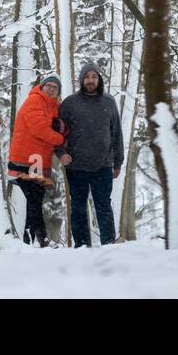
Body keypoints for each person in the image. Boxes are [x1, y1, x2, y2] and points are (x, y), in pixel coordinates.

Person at [58, 61, 123, 247]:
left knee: (103, 206)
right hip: (76, 165)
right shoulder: (70, 103)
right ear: (81, 80)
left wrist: (118, 161)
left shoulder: (109, 102)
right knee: (78, 207)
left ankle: (109, 244)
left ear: (99, 79)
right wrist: (61, 153)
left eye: (94, 76)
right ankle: (82, 246)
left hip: (103, 165)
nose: (90, 80)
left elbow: (116, 133)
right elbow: (58, 133)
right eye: (87, 77)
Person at [7, 74, 67, 247]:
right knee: (34, 199)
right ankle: (41, 240)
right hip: (23, 162)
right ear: (41, 87)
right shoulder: (34, 101)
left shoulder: (53, 107)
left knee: (35, 200)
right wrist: (61, 140)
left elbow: (60, 125)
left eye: (55, 87)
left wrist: (63, 128)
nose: (51, 89)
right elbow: (39, 129)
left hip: (37, 163)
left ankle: (30, 239)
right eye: (48, 85)